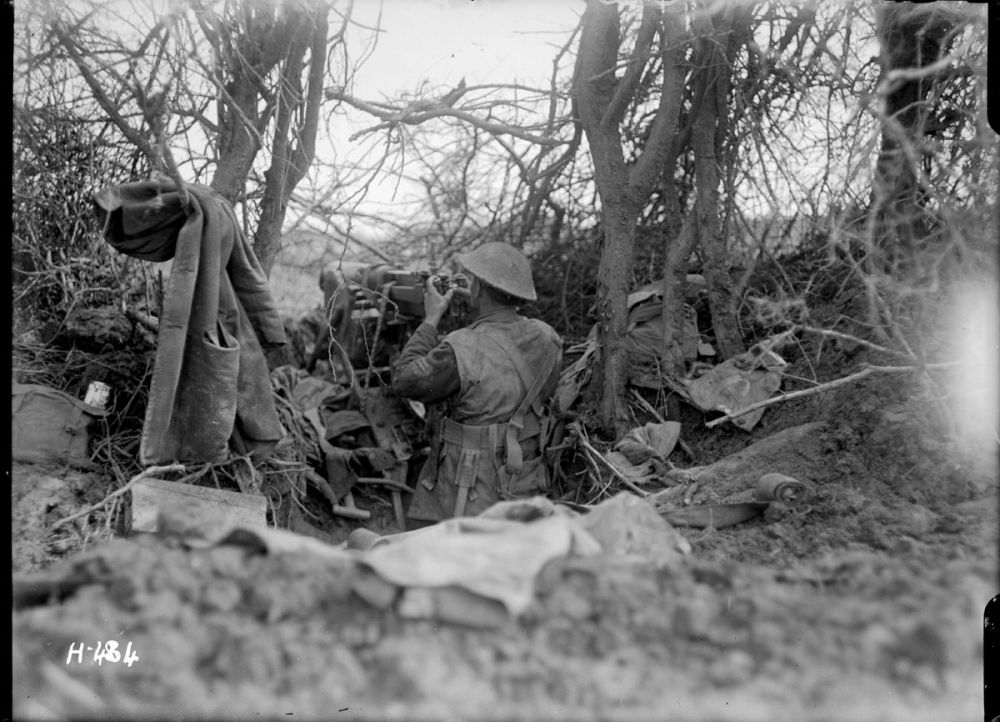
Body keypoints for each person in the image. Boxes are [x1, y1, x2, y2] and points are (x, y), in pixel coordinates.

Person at [392, 242, 563, 523]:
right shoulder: (548, 338)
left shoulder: (463, 348)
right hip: (525, 481)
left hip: (470, 489)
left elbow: (404, 382)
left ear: (478, 289)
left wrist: (431, 317)